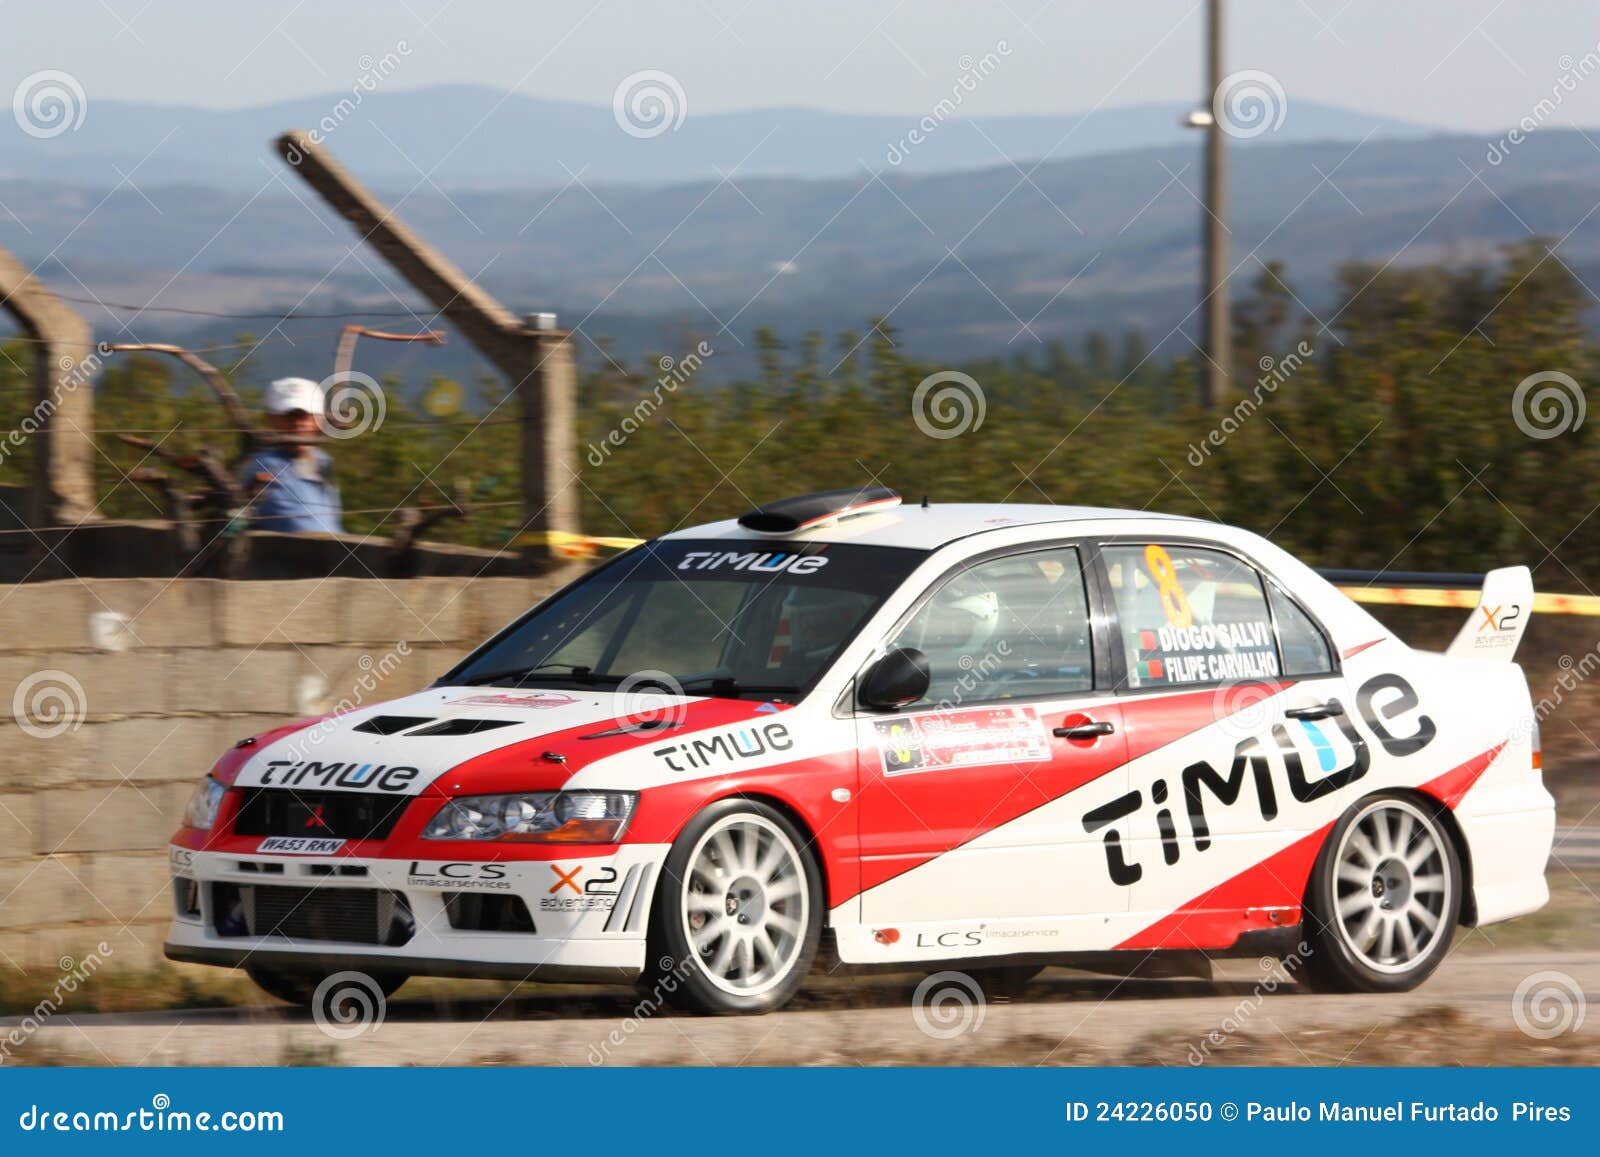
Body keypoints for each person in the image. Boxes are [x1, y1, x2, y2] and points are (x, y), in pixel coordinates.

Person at [238, 377, 344, 534]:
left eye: (305, 416)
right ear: (272, 419)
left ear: (319, 420)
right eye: (289, 417)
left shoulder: (320, 460)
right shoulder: (261, 463)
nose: (298, 424)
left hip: (333, 549)